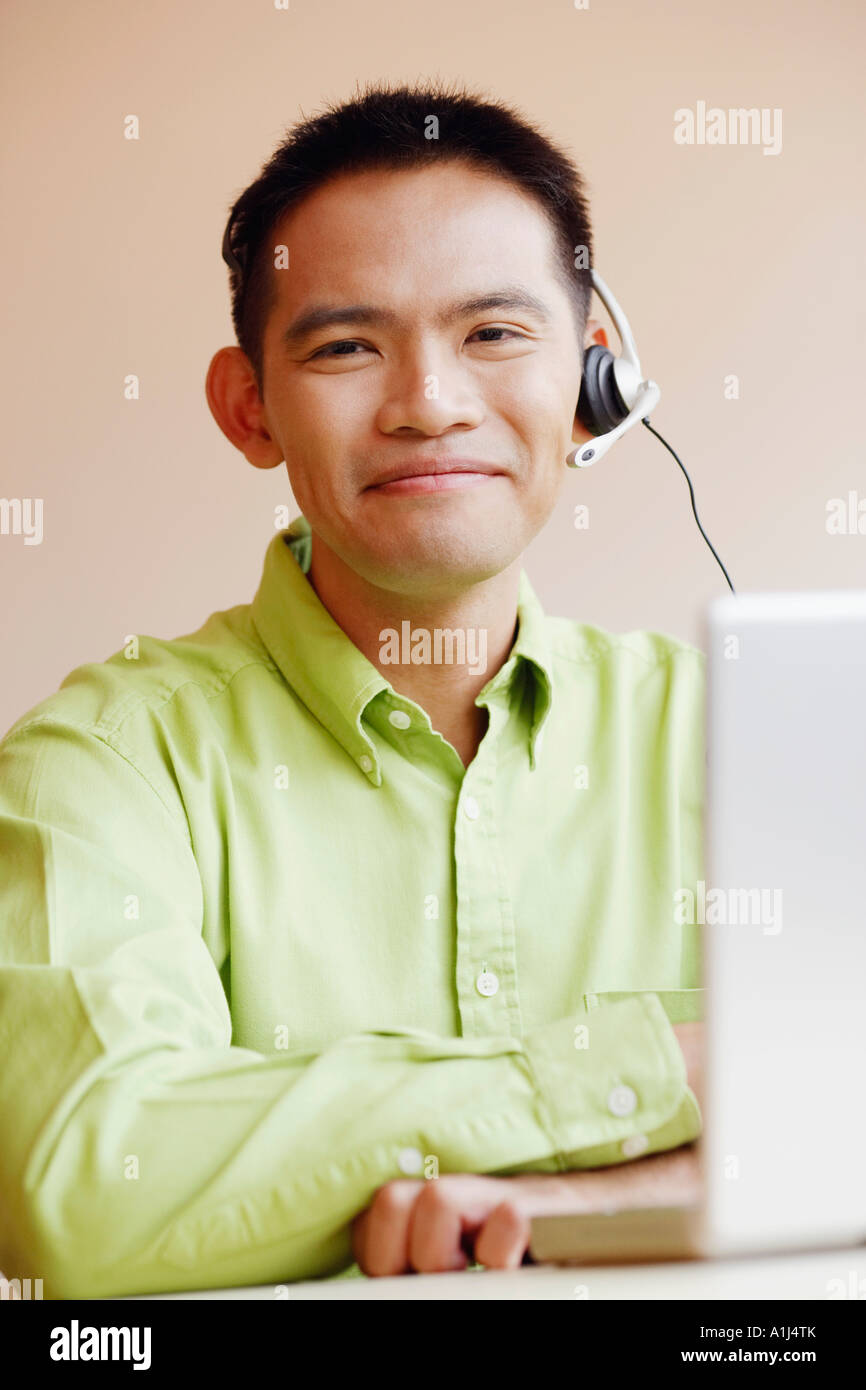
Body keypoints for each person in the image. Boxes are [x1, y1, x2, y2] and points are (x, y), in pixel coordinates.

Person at [0, 80, 705, 1298]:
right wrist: (634, 1084)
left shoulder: (746, 733)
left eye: (493, 334)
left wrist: (566, 1197)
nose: (428, 402)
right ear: (248, 407)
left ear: (597, 383)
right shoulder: (100, 763)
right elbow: (83, 1185)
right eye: (344, 346)